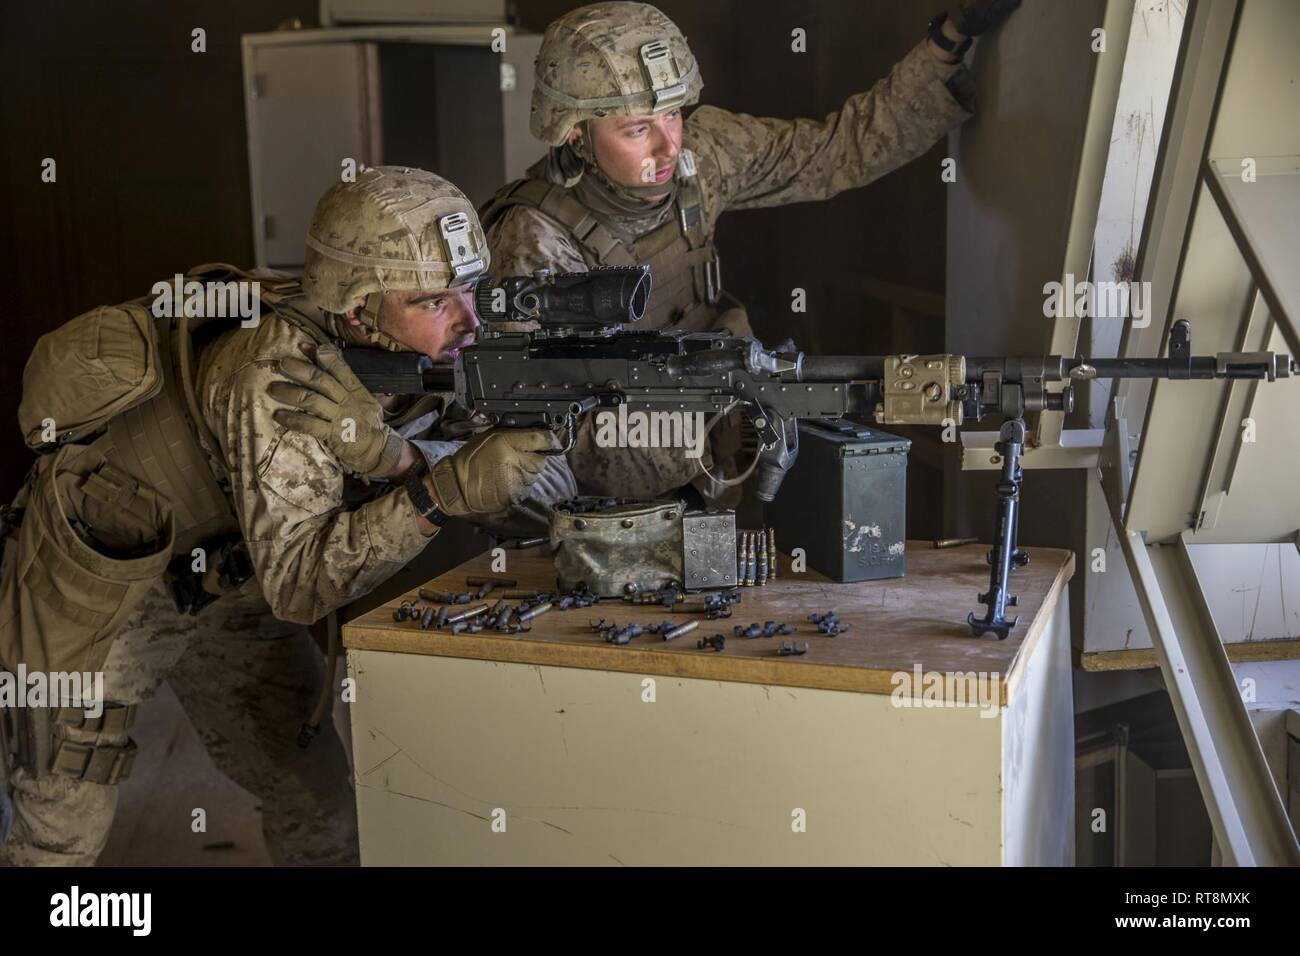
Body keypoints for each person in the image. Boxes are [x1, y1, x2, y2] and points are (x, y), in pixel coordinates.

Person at [0, 166, 567, 865]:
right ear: (359, 308)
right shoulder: (283, 377)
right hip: (109, 584)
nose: (469, 321)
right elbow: (300, 588)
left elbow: (542, 482)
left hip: (230, 576)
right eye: (434, 300)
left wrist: (398, 459)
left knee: (318, 805)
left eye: (471, 291)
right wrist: (435, 495)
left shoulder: (423, 345)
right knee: (60, 832)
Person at [483, 0, 1019, 500]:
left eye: (673, 114)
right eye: (637, 129)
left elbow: (838, 151)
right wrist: (736, 411)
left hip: (722, 459)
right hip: (615, 513)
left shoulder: (701, 156)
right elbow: (564, 443)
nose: (669, 145)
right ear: (575, 135)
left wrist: (946, 43)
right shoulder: (535, 244)